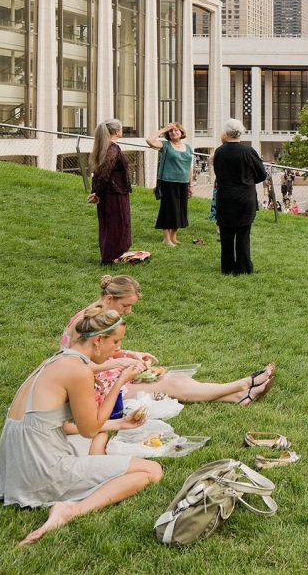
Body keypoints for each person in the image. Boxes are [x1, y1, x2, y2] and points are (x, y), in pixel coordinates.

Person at [0, 304, 163, 545]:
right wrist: (120, 381)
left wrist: (115, 366)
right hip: (42, 470)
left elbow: (67, 420)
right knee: (151, 471)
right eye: (115, 343)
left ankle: (86, 475)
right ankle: (70, 510)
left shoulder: (57, 360)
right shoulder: (78, 371)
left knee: (93, 445)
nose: (118, 349)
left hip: (13, 468)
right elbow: (90, 429)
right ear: (98, 341)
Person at [62, 275, 276, 411]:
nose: (129, 311)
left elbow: (100, 351)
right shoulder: (87, 323)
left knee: (176, 378)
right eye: (126, 305)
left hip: (104, 377)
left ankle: (238, 396)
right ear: (109, 299)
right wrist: (120, 364)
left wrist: (129, 355)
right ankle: (243, 385)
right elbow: (74, 367)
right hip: (93, 389)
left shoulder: (98, 317)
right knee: (172, 384)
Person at [212, 119, 269, 275]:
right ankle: (244, 267)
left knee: (226, 234)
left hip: (225, 195)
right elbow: (262, 174)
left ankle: (227, 267)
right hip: (245, 196)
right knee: (243, 234)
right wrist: (248, 180)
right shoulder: (248, 152)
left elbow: (218, 172)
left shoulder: (219, 151)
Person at [87, 120, 131, 264]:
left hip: (110, 193)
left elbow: (98, 173)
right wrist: (97, 193)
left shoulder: (104, 147)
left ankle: (112, 256)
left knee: (110, 225)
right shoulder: (113, 148)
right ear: (117, 131)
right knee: (116, 226)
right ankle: (111, 257)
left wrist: (95, 192)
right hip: (114, 193)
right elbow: (104, 172)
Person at [145, 122, 194, 247]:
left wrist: (190, 185)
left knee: (180, 210)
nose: (173, 132)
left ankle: (173, 236)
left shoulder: (188, 147)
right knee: (169, 209)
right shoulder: (165, 145)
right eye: (170, 131)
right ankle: (166, 239)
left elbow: (190, 167)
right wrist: (163, 129)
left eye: (176, 130)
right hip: (168, 181)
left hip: (183, 182)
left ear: (181, 132)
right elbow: (150, 140)